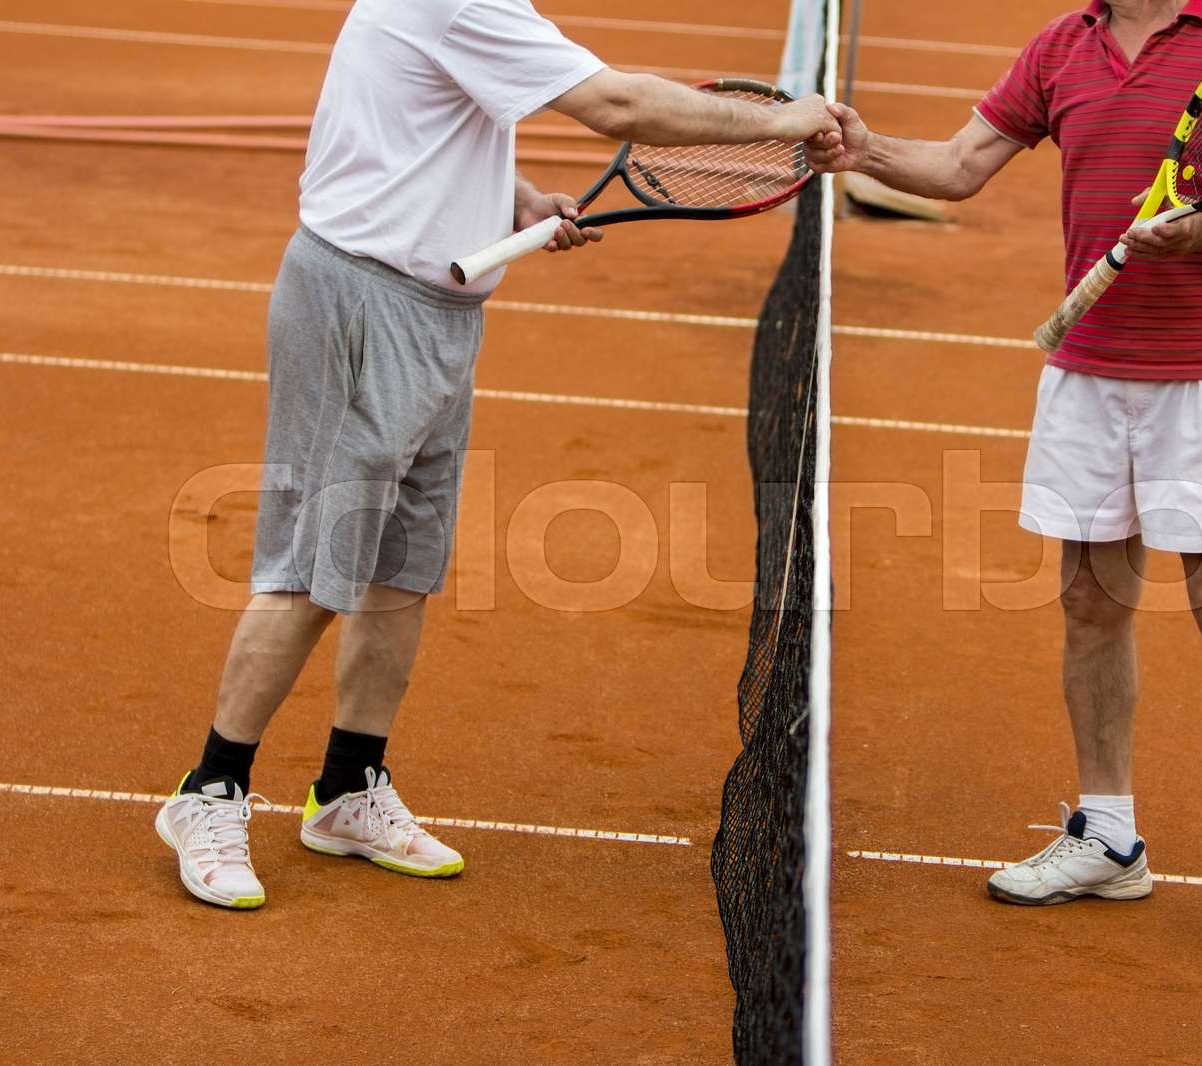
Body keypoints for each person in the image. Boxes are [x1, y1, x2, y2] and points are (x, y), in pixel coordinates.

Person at [154, 0, 841, 910]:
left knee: (403, 568)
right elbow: (621, 106)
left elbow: (411, 119)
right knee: (314, 565)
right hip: (361, 301)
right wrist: (786, 120)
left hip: (442, 310)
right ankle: (210, 788)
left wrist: (509, 199)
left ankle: (349, 788)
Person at [808, 0, 1202, 959]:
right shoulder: (1063, 43)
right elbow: (962, 167)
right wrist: (864, 149)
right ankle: (1107, 834)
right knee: (1092, 601)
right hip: (1091, 372)